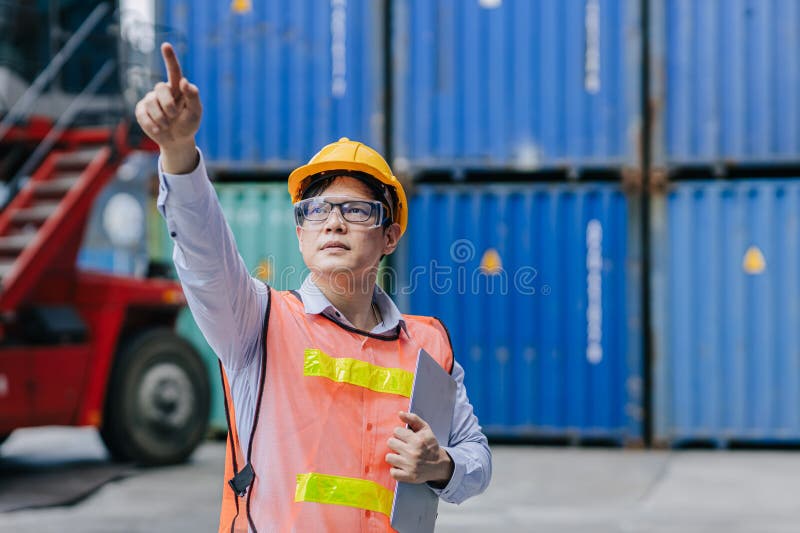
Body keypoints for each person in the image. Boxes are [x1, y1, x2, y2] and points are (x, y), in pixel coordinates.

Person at [136, 42, 491, 532]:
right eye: (317, 210)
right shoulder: (256, 323)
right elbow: (204, 254)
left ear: (390, 237)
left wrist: (442, 465)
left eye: (357, 210)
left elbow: (476, 456)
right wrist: (178, 152)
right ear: (300, 232)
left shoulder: (429, 346)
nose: (334, 223)